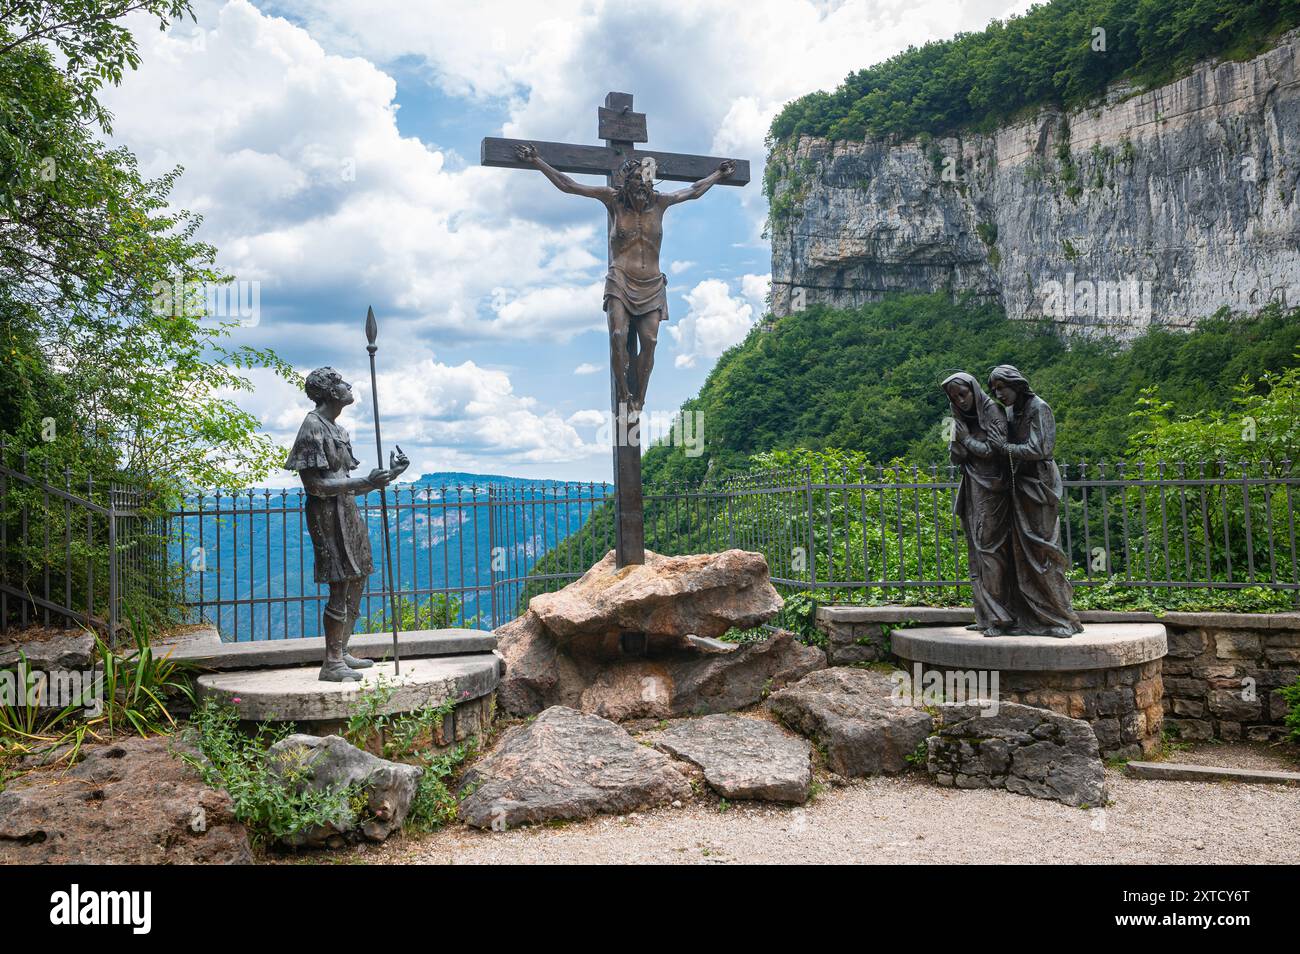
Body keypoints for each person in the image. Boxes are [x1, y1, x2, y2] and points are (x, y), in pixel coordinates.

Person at [513, 142, 735, 412]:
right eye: (636, 182)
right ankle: (623, 392)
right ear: (625, 183)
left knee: (650, 342)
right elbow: (568, 185)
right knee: (619, 334)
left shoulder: (661, 203)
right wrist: (538, 161)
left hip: (652, 284)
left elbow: (694, 190)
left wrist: (718, 175)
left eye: (646, 183)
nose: (642, 187)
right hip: (620, 279)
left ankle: (639, 398)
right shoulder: (613, 201)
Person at [286, 367, 409, 681]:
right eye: (340, 381)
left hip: (348, 513)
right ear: (329, 391)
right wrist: (363, 479)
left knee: (358, 579)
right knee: (340, 584)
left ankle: (341, 650)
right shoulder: (312, 426)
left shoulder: (339, 431)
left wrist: (388, 476)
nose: (348, 385)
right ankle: (331, 663)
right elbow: (315, 486)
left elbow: (349, 483)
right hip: (327, 517)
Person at [987, 365, 1082, 638]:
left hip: (1039, 485)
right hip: (1021, 484)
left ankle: (1060, 617)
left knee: (1042, 552)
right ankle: (1028, 616)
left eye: (1001, 387)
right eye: (994, 390)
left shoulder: (1039, 408)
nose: (998, 394)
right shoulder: (1011, 411)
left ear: (1015, 384)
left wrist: (1004, 448)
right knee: (1020, 552)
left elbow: (1041, 448)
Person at [942, 372, 1016, 635]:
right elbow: (955, 458)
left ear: (973, 389)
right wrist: (955, 441)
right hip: (971, 487)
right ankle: (984, 615)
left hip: (992, 488)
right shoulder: (957, 419)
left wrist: (966, 440)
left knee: (989, 549)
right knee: (975, 551)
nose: (960, 400)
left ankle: (1001, 617)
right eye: (954, 397)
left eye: (963, 394)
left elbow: (993, 451)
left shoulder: (993, 411)